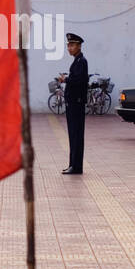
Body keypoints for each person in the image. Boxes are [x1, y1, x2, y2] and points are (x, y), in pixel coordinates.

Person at [59, 32, 87, 174]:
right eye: (68, 45)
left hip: (77, 104)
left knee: (76, 135)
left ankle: (76, 167)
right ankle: (73, 165)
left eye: (71, 45)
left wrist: (66, 80)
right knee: (73, 135)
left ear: (78, 46)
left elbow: (79, 81)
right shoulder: (76, 61)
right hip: (73, 104)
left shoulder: (81, 62)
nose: (69, 48)